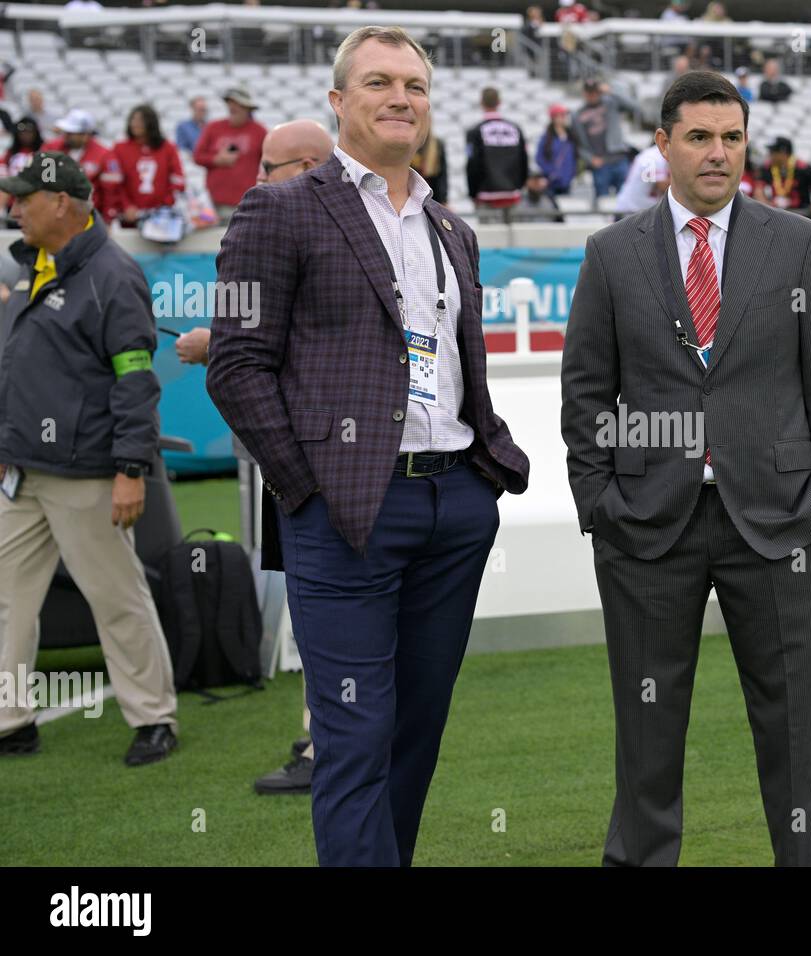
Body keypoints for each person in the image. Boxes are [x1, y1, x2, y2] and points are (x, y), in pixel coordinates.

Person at [206, 26, 529, 866]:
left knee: (415, 733)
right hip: (344, 509)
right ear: (339, 100)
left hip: (454, 502)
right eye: (379, 82)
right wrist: (304, 488)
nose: (400, 98)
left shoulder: (452, 228)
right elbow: (238, 365)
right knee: (354, 735)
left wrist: (484, 478)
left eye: (415, 86)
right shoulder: (277, 208)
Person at [560, 70, 811, 866]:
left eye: (731, 137)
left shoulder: (796, 243)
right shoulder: (612, 253)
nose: (718, 153)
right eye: (699, 136)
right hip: (646, 529)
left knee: (793, 725)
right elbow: (586, 391)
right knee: (648, 727)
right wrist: (599, 501)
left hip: (781, 522)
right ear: (663, 145)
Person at [0, 152, 178, 766]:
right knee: (8, 596)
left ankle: (154, 717)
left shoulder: (113, 274)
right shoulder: (34, 265)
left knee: (117, 597)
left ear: (61, 204)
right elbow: (15, 366)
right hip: (22, 470)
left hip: (86, 473)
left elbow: (135, 381)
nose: (13, 207)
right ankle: (12, 720)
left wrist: (131, 470)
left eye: (23, 198)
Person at [172, 119, 334, 795]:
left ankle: (327, 748)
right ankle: (323, 738)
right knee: (320, 610)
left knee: (330, 615)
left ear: (307, 167)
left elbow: (321, 338)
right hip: (309, 464)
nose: (258, 182)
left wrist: (222, 340)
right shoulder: (304, 228)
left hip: (318, 463)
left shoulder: (325, 232)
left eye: (270, 167)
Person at [193, 87, 268, 222]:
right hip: (213, 201)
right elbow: (198, 156)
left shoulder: (259, 131)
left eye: (237, 104)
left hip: (245, 201)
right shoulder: (213, 127)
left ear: (247, 108)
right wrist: (216, 160)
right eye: (230, 103)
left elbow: (269, 161)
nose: (232, 107)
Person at [44, 108, 124, 223]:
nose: (66, 135)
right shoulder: (52, 148)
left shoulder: (104, 155)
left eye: (71, 133)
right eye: (66, 132)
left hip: (89, 218)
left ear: (85, 135)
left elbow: (111, 191)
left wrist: (107, 218)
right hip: (56, 216)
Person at [112, 104, 186, 228]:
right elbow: (115, 184)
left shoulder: (168, 148)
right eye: (133, 119)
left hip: (161, 218)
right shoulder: (120, 149)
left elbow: (178, 181)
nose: (135, 124)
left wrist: (164, 206)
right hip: (129, 217)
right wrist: (126, 206)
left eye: (140, 120)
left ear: (151, 123)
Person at [466, 87, 526, 222]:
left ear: (481, 103)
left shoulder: (475, 131)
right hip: (512, 195)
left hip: (486, 196)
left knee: (489, 241)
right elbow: (524, 162)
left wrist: (473, 193)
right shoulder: (515, 129)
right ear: (499, 102)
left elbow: (472, 164)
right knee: (514, 241)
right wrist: (519, 186)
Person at [572, 78, 631, 198]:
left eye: (595, 92)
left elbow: (633, 106)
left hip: (619, 159)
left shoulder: (611, 103)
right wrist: (590, 158)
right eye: (589, 92)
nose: (592, 95)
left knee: (625, 200)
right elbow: (577, 144)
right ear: (584, 94)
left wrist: (611, 92)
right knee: (603, 202)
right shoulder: (577, 115)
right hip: (600, 163)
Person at [758, 136, 811, 218]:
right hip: (777, 215)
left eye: (773, 152)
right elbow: (759, 188)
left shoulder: (803, 168)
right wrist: (765, 204)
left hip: (801, 215)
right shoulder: (767, 167)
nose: (769, 155)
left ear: (783, 153)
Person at [612, 141, 669, 219]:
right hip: (627, 213)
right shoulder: (650, 157)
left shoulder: (666, 157)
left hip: (644, 214)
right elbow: (664, 187)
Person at [535, 104, 576, 196]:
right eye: (559, 116)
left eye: (563, 115)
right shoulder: (546, 138)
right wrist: (551, 172)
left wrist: (572, 173)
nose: (562, 118)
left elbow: (573, 157)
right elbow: (539, 158)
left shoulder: (570, 137)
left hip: (566, 180)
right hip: (552, 181)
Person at [412, 127, 447, 205]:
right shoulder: (409, 144)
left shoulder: (437, 144)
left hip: (433, 198)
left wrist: (444, 201)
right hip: (412, 196)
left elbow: (442, 176)